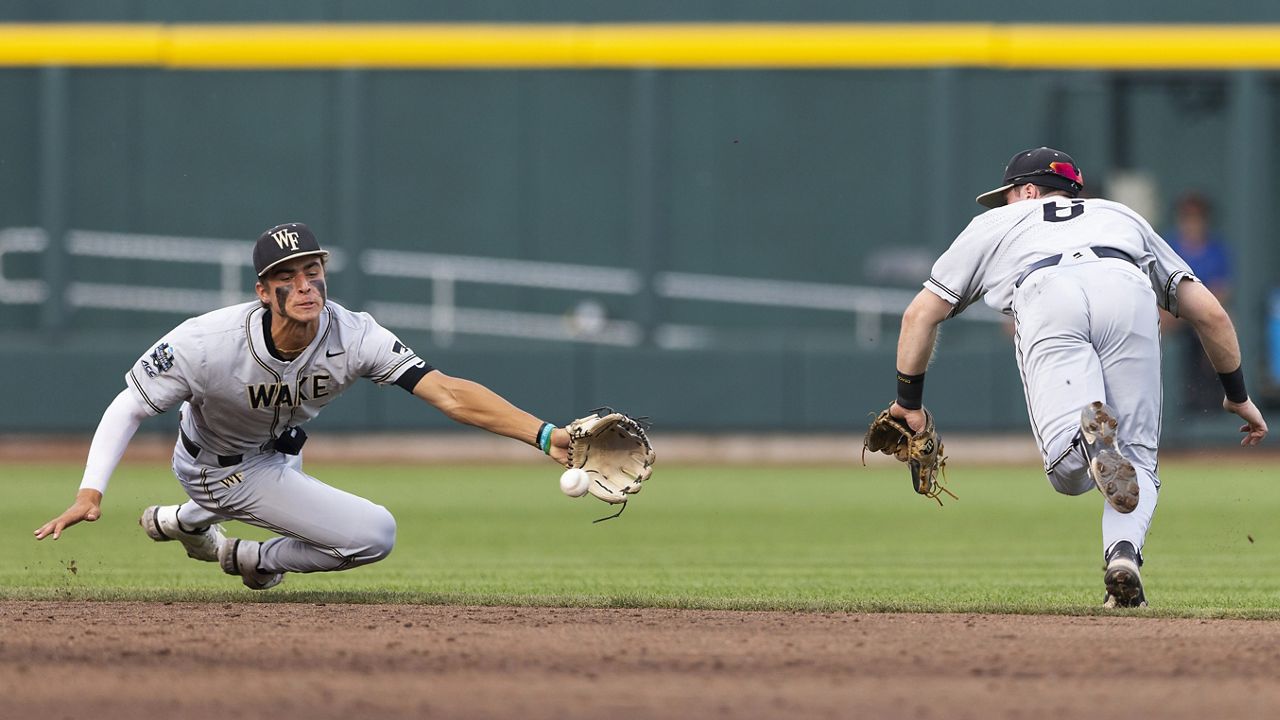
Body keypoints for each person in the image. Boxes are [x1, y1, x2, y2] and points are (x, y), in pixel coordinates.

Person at [34, 222, 573, 590]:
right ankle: (247, 555)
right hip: (215, 467)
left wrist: (545, 435)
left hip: (280, 455)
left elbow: (448, 391)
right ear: (263, 292)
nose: (305, 284)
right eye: (287, 276)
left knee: (287, 485)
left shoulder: (353, 333)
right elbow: (128, 407)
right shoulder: (206, 341)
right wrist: (90, 492)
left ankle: (188, 525)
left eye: (312, 270)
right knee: (373, 535)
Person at [886, 148, 1267, 607]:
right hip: (1125, 286)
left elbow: (919, 316)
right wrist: (1237, 395)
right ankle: (1123, 558)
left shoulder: (996, 224)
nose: (1005, 204)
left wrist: (908, 402)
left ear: (1027, 191)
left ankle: (1089, 444)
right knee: (1140, 459)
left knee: (1066, 476)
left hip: (1048, 293)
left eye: (1007, 195)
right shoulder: (1121, 216)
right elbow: (1210, 313)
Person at [1163, 192, 1235, 415]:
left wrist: (1195, 311)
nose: (1192, 223)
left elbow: (1222, 292)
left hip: (1202, 312)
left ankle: (1214, 402)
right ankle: (1166, 407)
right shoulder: (1169, 244)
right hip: (1171, 312)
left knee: (1225, 325)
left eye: (1197, 218)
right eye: (1187, 217)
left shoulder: (1217, 249)